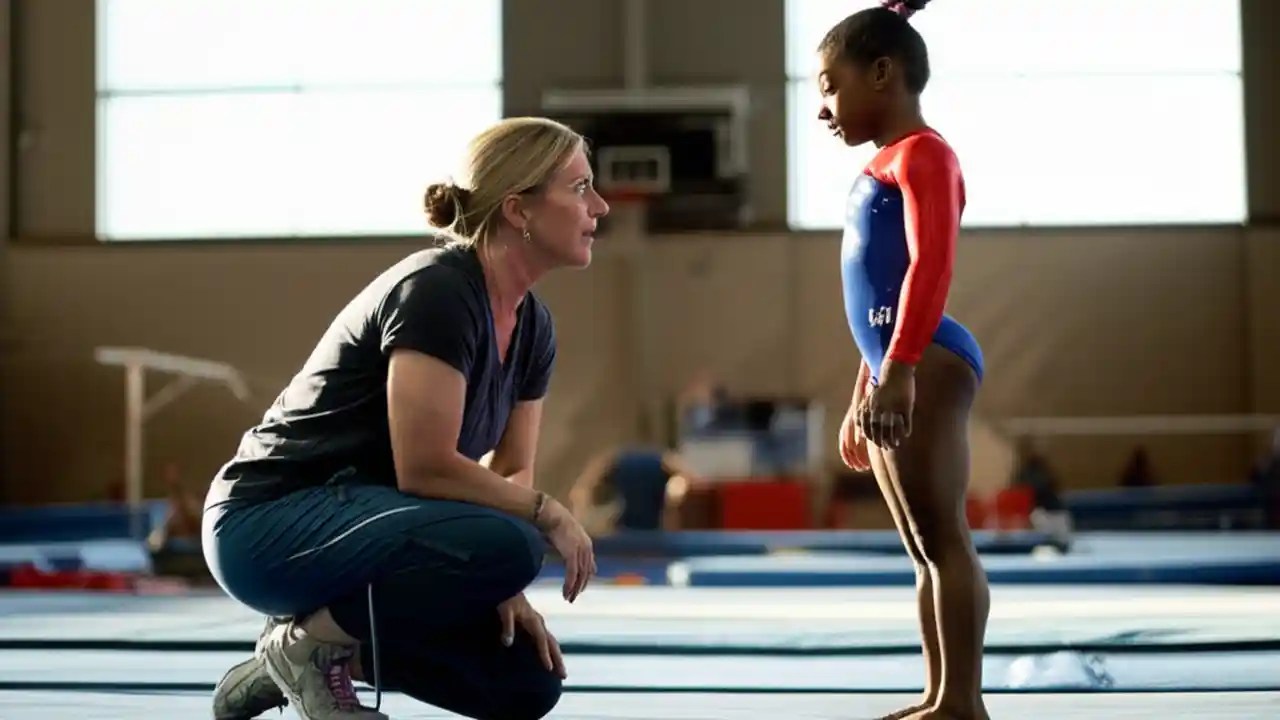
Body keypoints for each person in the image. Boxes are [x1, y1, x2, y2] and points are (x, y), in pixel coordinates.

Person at [201, 116, 607, 720]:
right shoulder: (439, 291)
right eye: (579, 188)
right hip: (265, 524)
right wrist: (547, 517)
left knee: (525, 681)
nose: (598, 206)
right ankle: (308, 647)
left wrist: (504, 585)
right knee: (517, 542)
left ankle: (303, 656)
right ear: (519, 210)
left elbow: (514, 467)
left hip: (372, 526)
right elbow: (425, 468)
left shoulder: (534, 327)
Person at [820, 2, 990, 719]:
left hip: (929, 360)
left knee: (944, 536)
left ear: (883, 74)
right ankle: (937, 693)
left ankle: (964, 703)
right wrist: (867, 384)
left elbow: (929, 267)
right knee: (923, 547)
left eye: (830, 84)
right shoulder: (883, 162)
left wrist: (898, 371)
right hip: (895, 361)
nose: (823, 107)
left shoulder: (925, 154)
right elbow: (877, 296)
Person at [568, 445, 701, 535]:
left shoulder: (665, 466)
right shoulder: (616, 464)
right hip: (627, 532)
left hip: (656, 533)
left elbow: (687, 480)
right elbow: (582, 489)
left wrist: (674, 500)